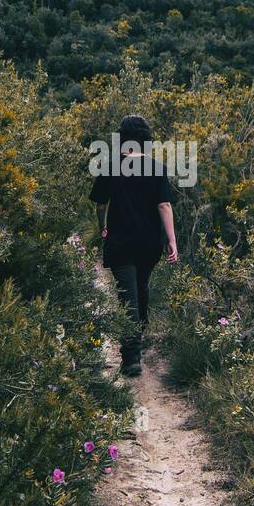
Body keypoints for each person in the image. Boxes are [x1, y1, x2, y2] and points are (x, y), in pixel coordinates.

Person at [89, 115, 179, 376]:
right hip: (149, 243)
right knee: (140, 289)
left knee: (127, 295)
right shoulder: (157, 167)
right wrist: (172, 240)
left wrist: (101, 226)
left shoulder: (111, 166)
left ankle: (131, 358)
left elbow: (100, 203)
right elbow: (164, 205)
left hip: (121, 242)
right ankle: (136, 341)